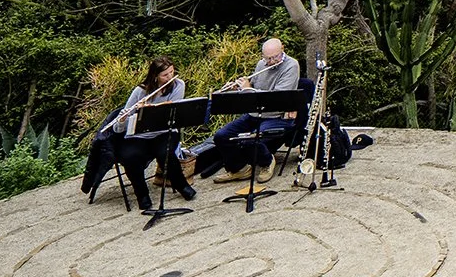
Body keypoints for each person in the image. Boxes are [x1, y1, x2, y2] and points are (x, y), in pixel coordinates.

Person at [83, 56, 194, 213]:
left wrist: (152, 111)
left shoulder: (178, 85)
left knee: (165, 152)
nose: (170, 77)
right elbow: (118, 129)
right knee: (129, 157)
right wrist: (124, 119)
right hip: (139, 136)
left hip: (163, 132)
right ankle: (142, 195)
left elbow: (173, 112)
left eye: (172, 72)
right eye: (165, 75)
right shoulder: (140, 91)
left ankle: (182, 185)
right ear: (155, 76)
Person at [191, 37, 303, 180]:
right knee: (221, 136)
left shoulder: (291, 65)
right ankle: (240, 169)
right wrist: (238, 88)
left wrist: (248, 89)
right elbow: (253, 88)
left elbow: (277, 98)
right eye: (267, 58)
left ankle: (267, 161)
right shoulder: (261, 64)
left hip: (277, 116)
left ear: (282, 49)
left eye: (275, 57)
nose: (271, 62)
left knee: (250, 138)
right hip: (254, 114)